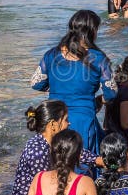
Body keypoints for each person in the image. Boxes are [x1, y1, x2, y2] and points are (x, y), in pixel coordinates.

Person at [31, 10, 116, 156]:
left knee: (55, 163)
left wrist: (57, 87)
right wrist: (99, 100)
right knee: (82, 164)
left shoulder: (51, 54)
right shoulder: (99, 58)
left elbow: (36, 83)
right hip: (83, 120)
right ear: (92, 31)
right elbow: (111, 93)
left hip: (54, 120)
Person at [12, 100, 97, 195]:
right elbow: (48, 194)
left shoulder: (45, 143)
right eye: (65, 120)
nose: (68, 124)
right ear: (53, 125)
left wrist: (98, 160)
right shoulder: (38, 153)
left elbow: (73, 151)